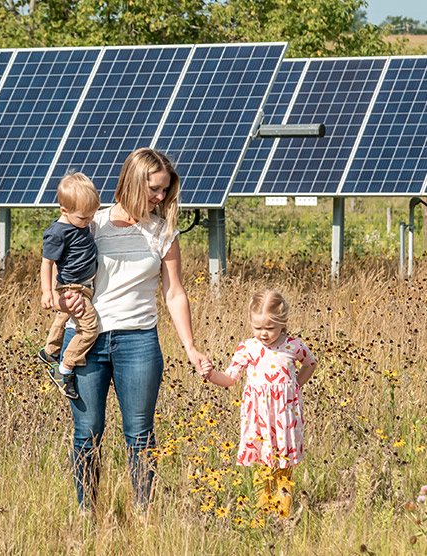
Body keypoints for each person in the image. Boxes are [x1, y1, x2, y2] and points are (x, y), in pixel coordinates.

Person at [50, 147, 213, 513]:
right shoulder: (92, 223)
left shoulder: (163, 233)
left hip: (139, 342)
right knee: (87, 432)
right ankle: (87, 514)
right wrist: (62, 302)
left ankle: (142, 514)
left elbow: (174, 292)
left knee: (140, 434)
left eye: (165, 190)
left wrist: (190, 347)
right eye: (155, 188)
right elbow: (59, 278)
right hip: (86, 341)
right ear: (134, 182)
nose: (161, 196)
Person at [198, 289, 318, 518]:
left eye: (270, 328)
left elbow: (310, 363)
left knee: (284, 465)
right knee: (262, 465)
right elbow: (230, 378)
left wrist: (295, 386)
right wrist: (211, 375)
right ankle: (262, 513)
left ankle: (282, 515)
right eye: (258, 327)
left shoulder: (294, 346)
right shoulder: (248, 348)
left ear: (283, 322)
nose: (263, 333)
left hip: (285, 419)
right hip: (259, 420)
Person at [38, 172, 101, 400]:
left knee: (63, 318)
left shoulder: (79, 221)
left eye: (92, 215)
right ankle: (64, 370)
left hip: (82, 285)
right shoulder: (57, 233)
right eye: (84, 218)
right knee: (90, 329)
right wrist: (48, 292)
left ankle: (50, 351)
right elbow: (47, 263)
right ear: (64, 210)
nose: (89, 221)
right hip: (73, 288)